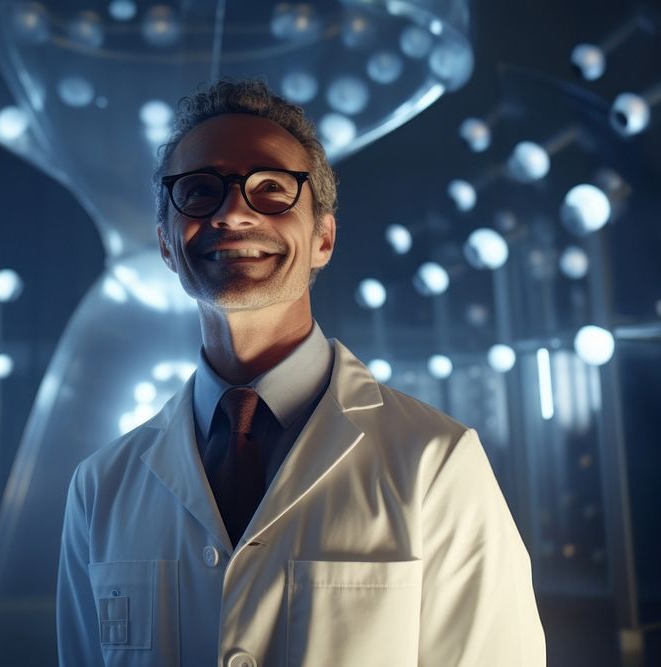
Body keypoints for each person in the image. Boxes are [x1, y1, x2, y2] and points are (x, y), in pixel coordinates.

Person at [56, 79, 546, 666]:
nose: (233, 211)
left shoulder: (435, 463)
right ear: (166, 243)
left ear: (324, 239)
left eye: (271, 189)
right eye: (200, 190)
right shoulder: (100, 487)